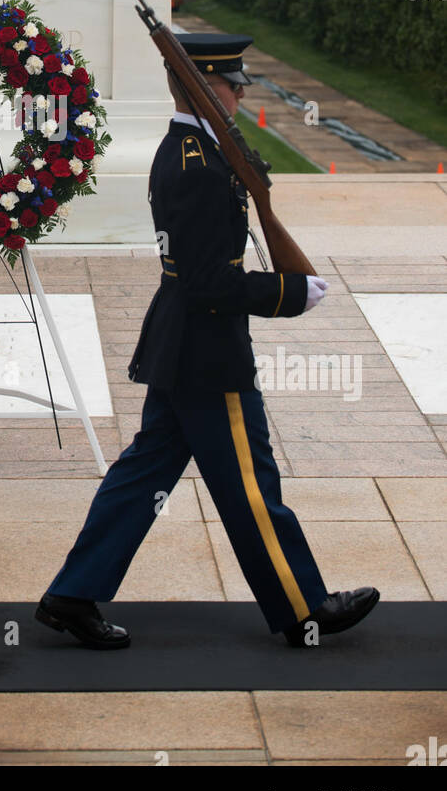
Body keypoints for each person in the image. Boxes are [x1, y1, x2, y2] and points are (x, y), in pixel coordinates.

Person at [36, 32, 379, 650]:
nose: (243, 91)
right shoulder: (195, 164)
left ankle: (72, 594)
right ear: (202, 87)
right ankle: (306, 608)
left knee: (144, 476)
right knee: (251, 485)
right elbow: (205, 283)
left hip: (182, 345)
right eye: (232, 82)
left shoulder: (196, 151)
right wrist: (285, 294)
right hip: (207, 353)